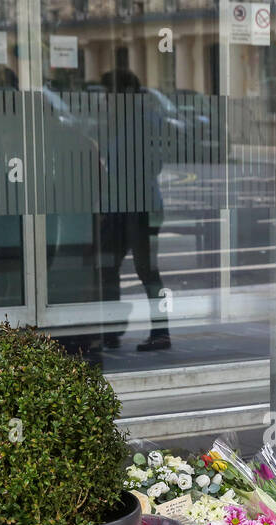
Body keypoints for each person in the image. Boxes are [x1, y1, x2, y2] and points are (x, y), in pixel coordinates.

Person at [98, 67, 169, 351]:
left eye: (109, 94)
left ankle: (161, 330)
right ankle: (112, 329)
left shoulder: (147, 121)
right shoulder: (113, 122)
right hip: (117, 205)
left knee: (146, 269)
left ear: (124, 94)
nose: (105, 100)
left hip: (140, 205)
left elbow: (154, 163)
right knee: (108, 267)